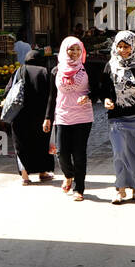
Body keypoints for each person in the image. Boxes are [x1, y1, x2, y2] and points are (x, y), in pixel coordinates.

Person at [96, 31, 135, 204]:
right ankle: (120, 189)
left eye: (126, 46)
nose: (123, 50)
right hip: (117, 117)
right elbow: (102, 89)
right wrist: (106, 100)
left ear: (134, 46)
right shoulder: (110, 65)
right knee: (120, 153)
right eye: (120, 46)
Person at [45, 36, 93, 202]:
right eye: (71, 49)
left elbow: (99, 90)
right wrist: (47, 118)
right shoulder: (55, 71)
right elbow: (52, 96)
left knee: (79, 154)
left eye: (78, 49)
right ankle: (68, 175)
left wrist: (88, 97)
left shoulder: (87, 69)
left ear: (82, 51)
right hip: (62, 115)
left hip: (83, 116)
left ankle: (79, 188)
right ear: (65, 50)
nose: (74, 52)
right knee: (62, 152)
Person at [11, 51, 55, 184]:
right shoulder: (44, 72)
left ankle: (25, 177)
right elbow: (51, 94)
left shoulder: (18, 71)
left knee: (22, 144)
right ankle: (43, 173)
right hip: (40, 116)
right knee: (42, 143)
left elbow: (9, 91)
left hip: (19, 115)